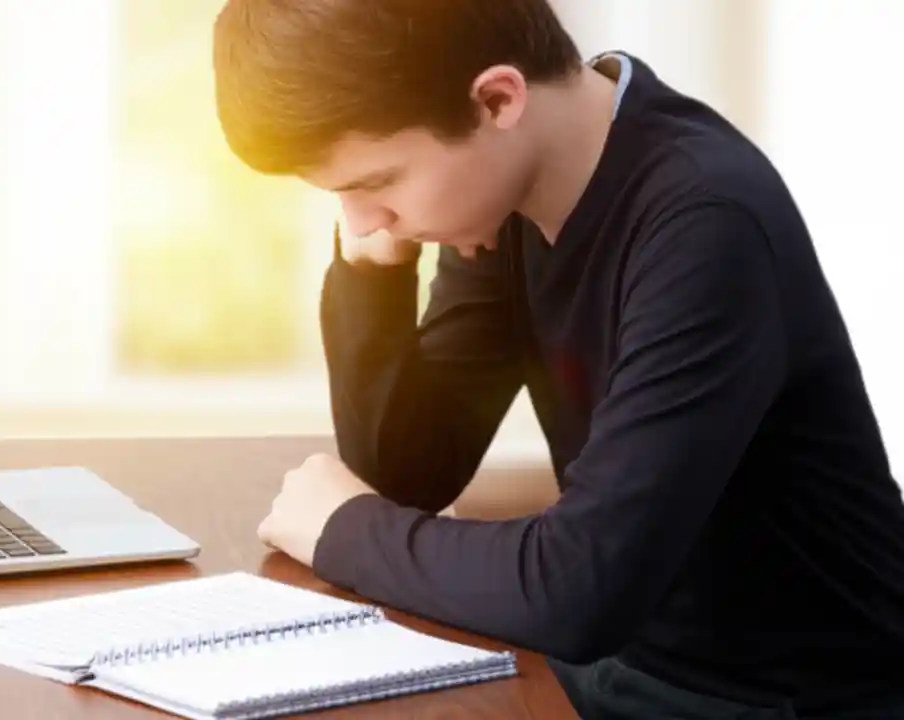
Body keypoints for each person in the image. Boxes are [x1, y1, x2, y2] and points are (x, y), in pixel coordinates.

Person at [211, 1, 904, 717]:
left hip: (785, 700)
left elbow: (578, 590)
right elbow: (408, 470)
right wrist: (372, 266)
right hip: (614, 670)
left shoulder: (705, 219)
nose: (358, 219)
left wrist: (344, 528)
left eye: (376, 183)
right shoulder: (507, 192)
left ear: (497, 99)